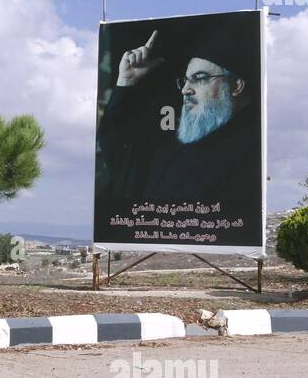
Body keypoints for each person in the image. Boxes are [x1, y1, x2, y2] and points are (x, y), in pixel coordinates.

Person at [96, 25, 261, 238]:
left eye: (200, 78)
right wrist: (125, 84)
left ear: (236, 86)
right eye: (185, 80)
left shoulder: (252, 148)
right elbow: (119, 158)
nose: (185, 90)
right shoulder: (182, 140)